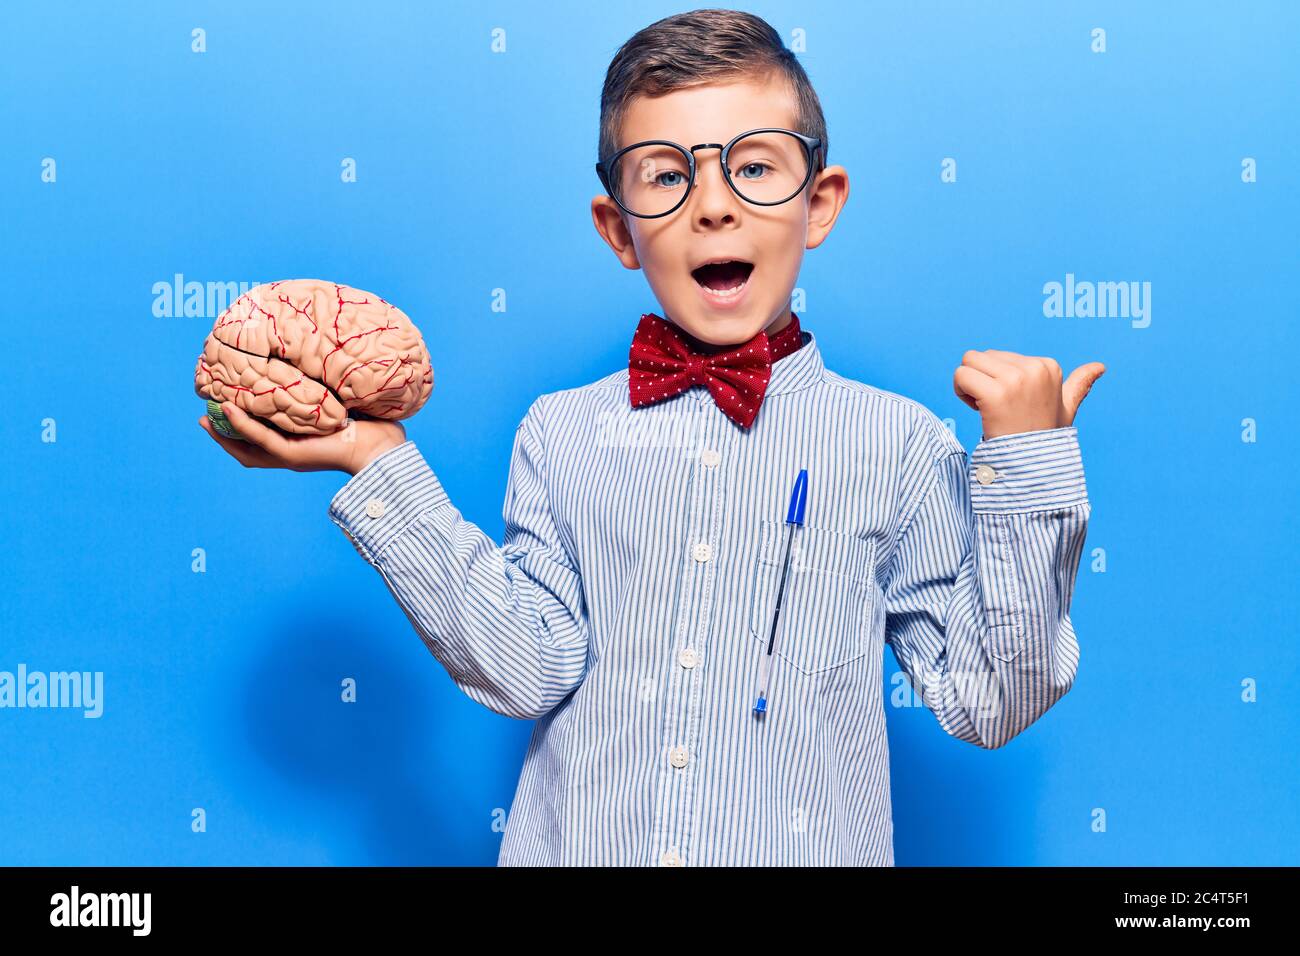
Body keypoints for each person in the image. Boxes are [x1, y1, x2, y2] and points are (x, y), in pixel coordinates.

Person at [199, 9, 1104, 866]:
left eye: (755, 167)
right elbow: (523, 671)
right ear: (616, 228)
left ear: (820, 203)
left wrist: (1028, 472)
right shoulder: (559, 433)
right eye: (666, 174)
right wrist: (376, 459)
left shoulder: (897, 445)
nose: (713, 206)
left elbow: (992, 700)